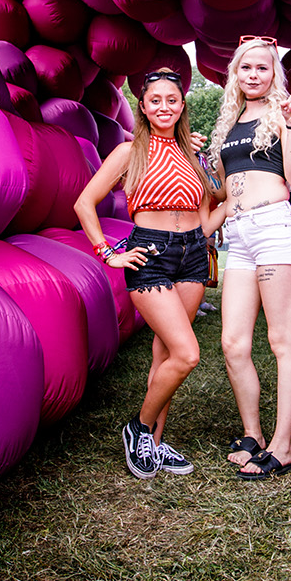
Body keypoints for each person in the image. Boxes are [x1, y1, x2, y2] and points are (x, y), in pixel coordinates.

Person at [74, 69, 219, 479]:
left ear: (182, 105)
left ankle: (154, 443)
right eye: (155, 100)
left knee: (167, 353)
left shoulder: (193, 154)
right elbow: (85, 203)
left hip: (192, 253)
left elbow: (206, 220)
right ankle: (137, 427)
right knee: (188, 354)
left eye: (172, 100)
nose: (164, 107)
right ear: (143, 105)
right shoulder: (128, 152)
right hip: (150, 255)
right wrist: (108, 253)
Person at [207, 35, 291, 480]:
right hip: (238, 234)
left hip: (274, 228)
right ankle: (252, 434)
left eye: (262, 68)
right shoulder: (229, 121)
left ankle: (282, 446)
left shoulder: (284, 115)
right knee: (233, 343)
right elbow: (224, 190)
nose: (253, 75)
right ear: (236, 73)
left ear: (274, 75)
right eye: (246, 68)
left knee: (281, 341)